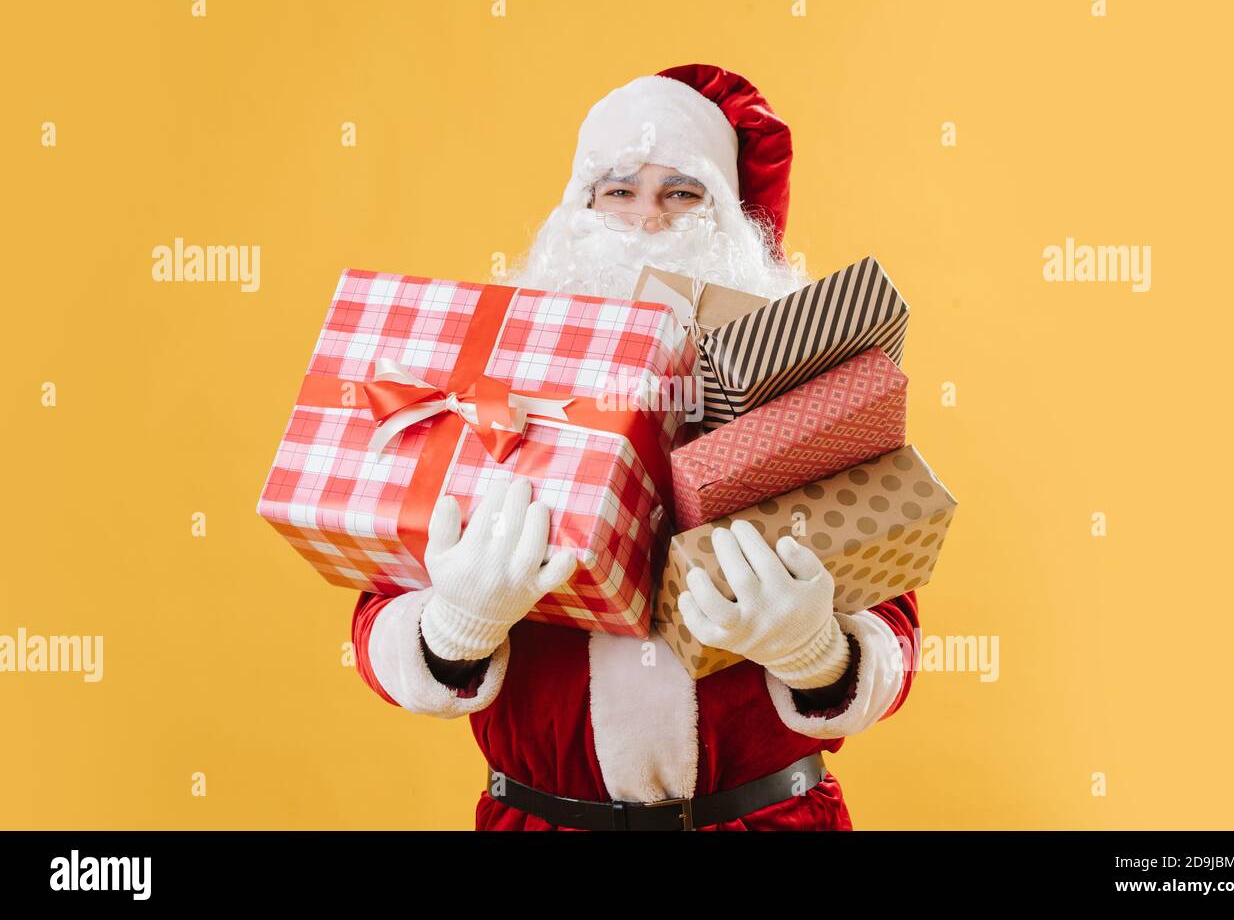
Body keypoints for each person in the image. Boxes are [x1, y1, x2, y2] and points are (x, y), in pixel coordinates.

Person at [350, 64, 920, 830]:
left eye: (682, 194)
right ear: (576, 210)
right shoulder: (488, 384)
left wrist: (820, 653)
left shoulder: (800, 389)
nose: (647, 220)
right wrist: (454, 626)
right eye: (617, 191)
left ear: (728, 220)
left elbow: (895, 611)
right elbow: (378, 612)